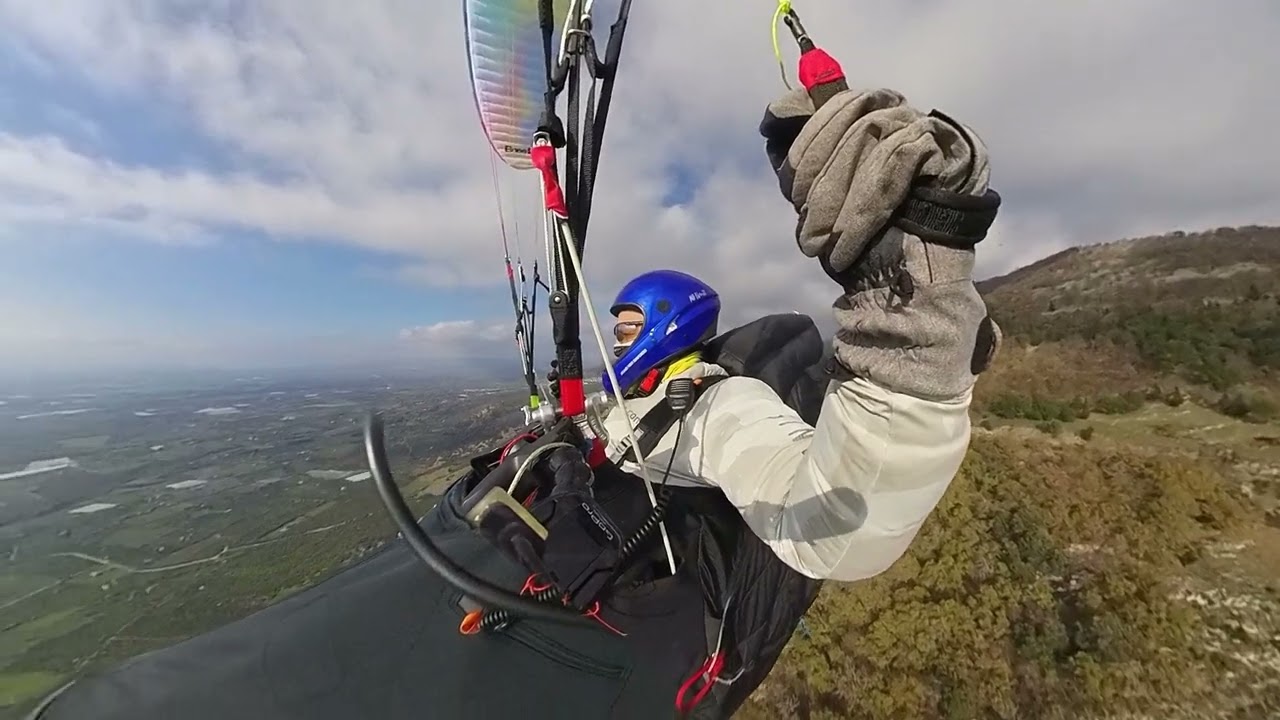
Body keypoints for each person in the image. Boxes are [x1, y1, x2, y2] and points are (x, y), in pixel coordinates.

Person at [26, 84, 1000, 720]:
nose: (621, 342)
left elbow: (841, 518)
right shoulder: (637, 409)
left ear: (673, 325)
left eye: (630, 328)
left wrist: (908, 304)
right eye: (612, 327)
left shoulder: (711, 403)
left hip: (551, 634)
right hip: (482, 580)